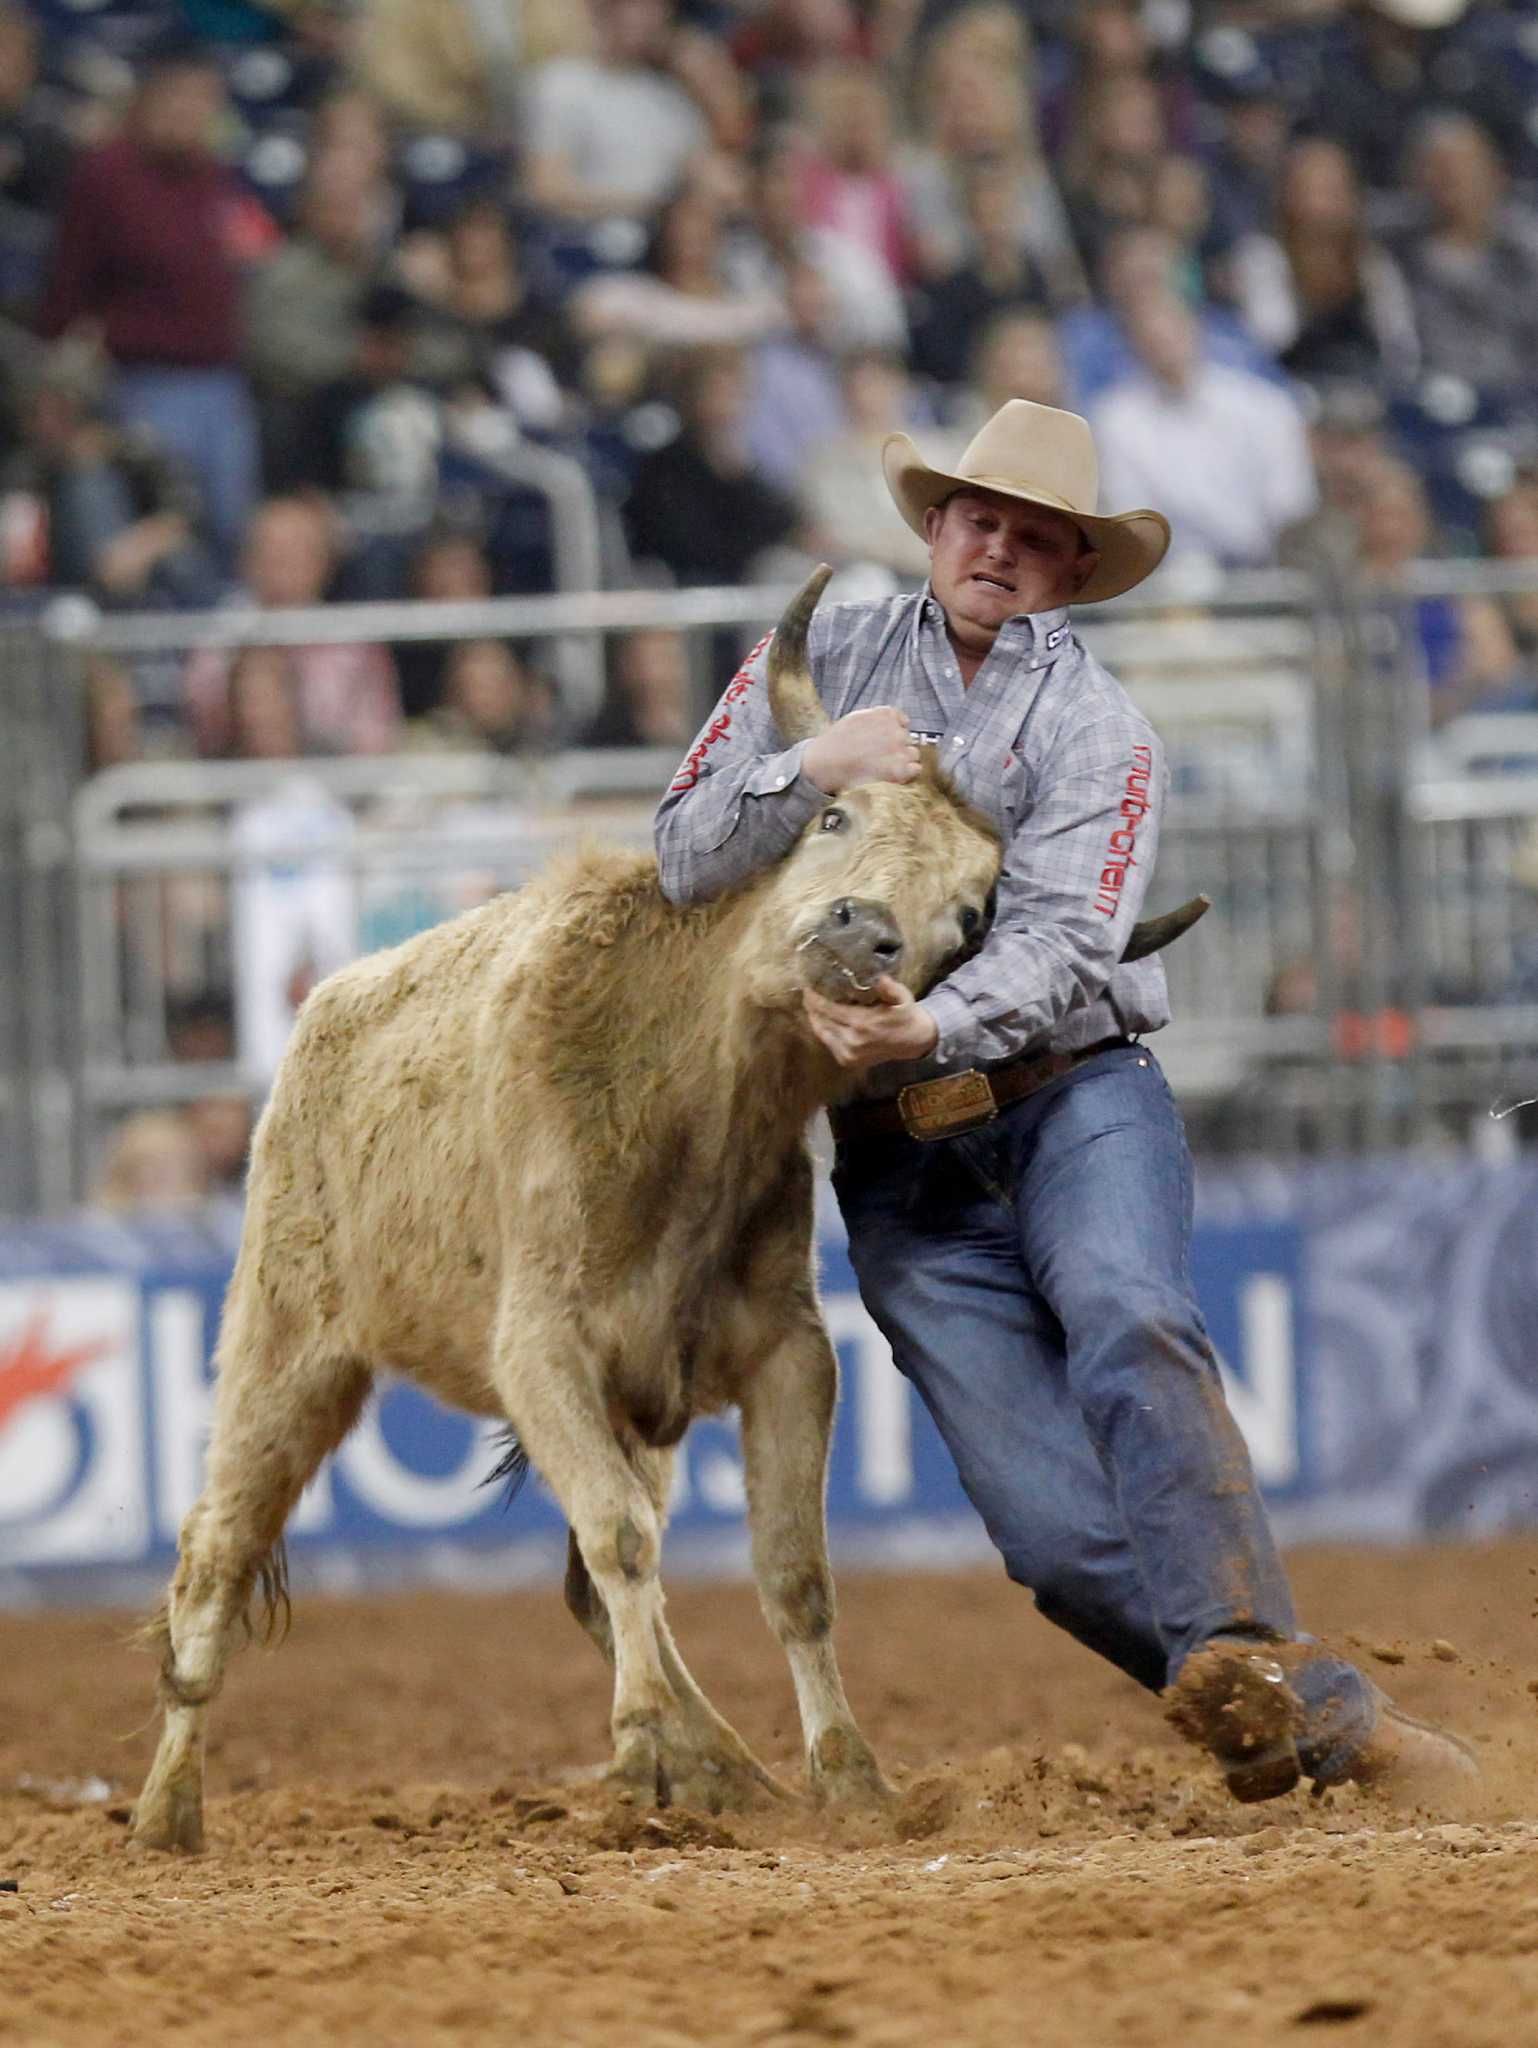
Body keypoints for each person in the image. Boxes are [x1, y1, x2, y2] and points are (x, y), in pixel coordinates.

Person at [652, 395, 1476, 1802]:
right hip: (898, 1161)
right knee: (1048, 1536)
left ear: (1074, 572)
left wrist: (933, 1018)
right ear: (933, 526)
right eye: (981, 520)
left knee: (1129, 1319)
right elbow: (679, 850)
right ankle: (1317, 1721)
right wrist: (808, 767)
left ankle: (1238, 1654)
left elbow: (1063, 946)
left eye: (1037, 538)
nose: (1000, 550)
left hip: (1069, 1092)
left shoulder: (1103, 732)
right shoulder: (823, 662)